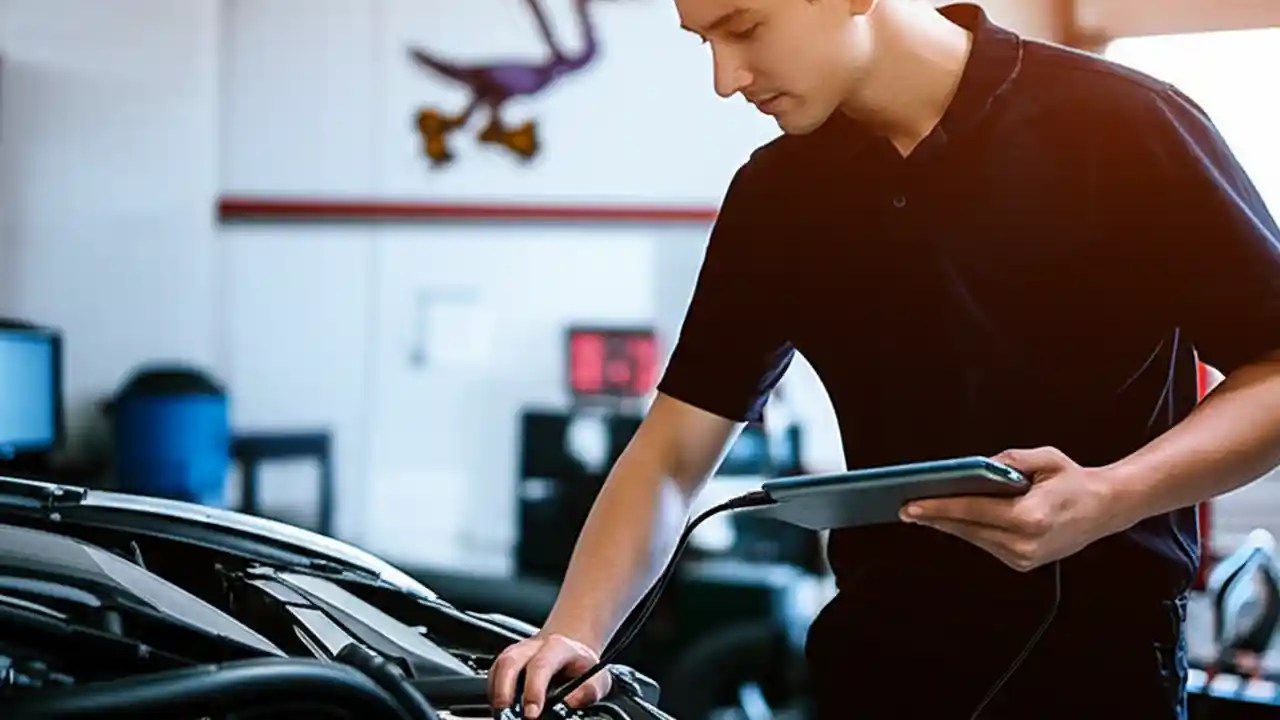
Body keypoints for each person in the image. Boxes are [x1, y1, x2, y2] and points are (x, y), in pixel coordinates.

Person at [487, 1, 1280, 717]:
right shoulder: (778, 195)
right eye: (705, 42)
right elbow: (671, 453)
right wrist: (573, 635)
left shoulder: (1125, 124)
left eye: (745, 28)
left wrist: (1111, 495)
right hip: (874, 670)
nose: (726, 80)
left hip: (1098, 678)